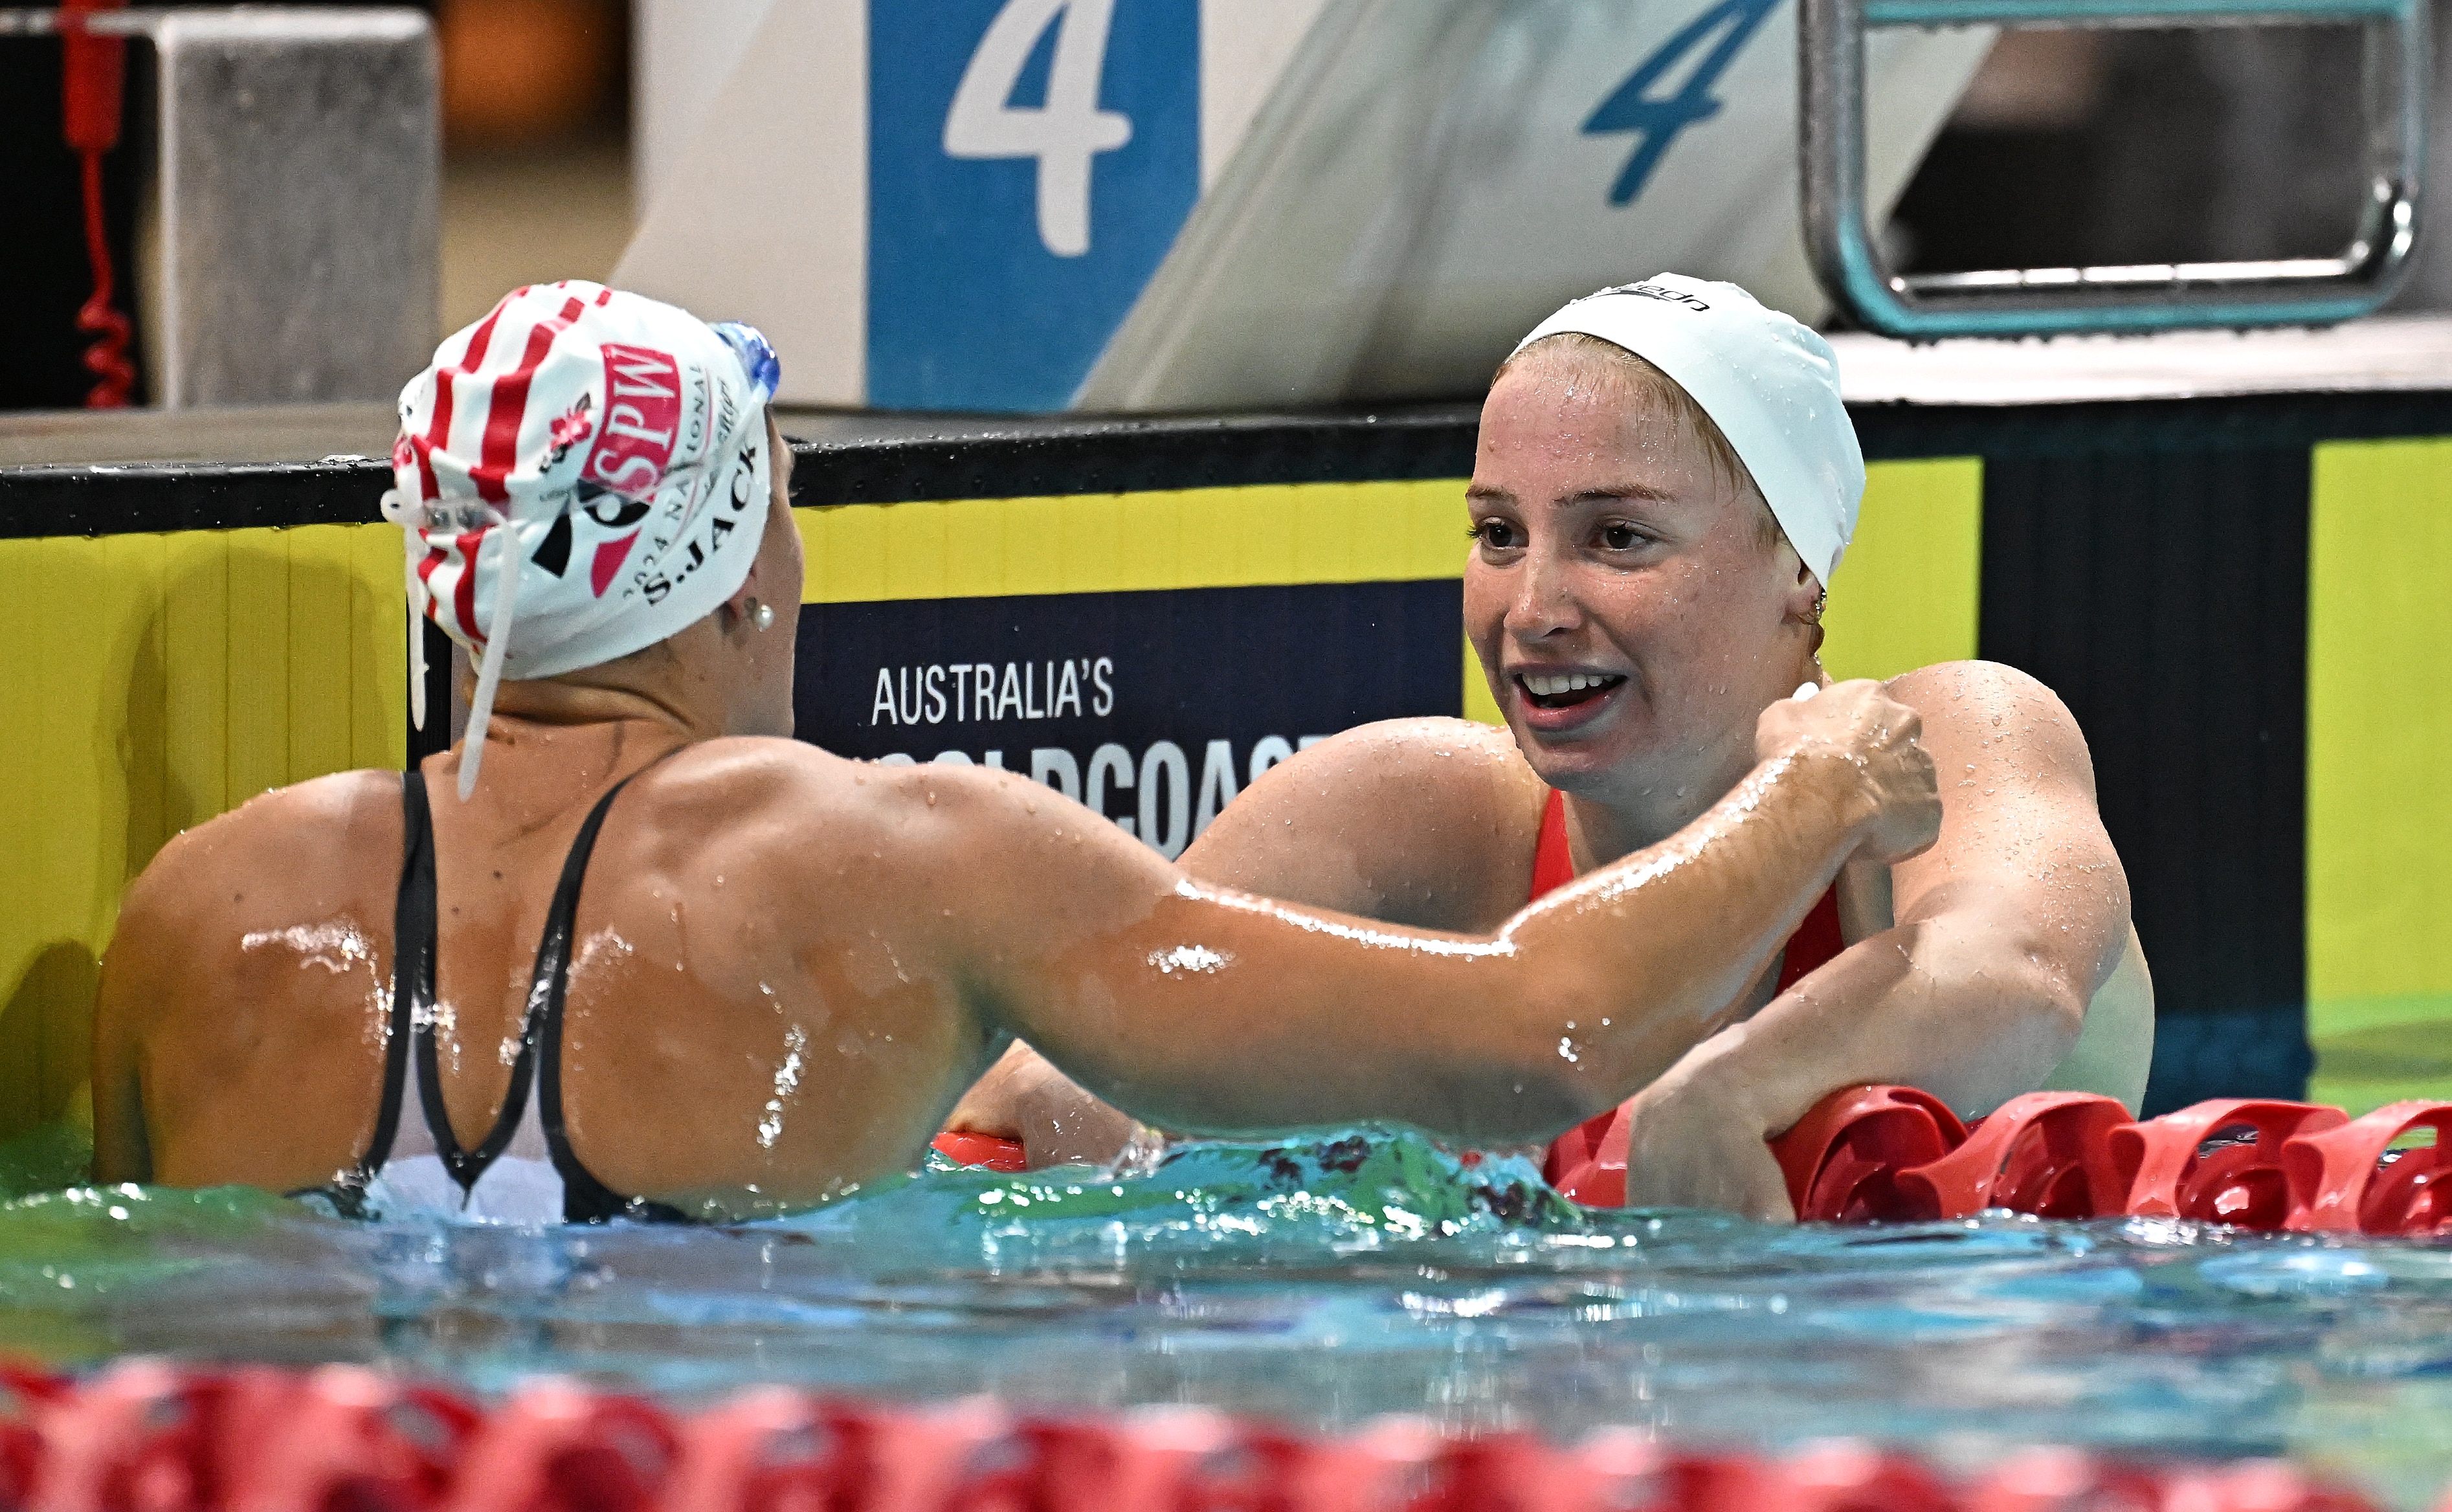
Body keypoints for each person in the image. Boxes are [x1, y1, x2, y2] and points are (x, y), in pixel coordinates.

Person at [89, 282, 1942, 1224]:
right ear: (739, 565)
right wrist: (1825, 779)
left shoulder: (195, 913)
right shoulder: (908, 858)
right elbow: (1545, 1031)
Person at [945, 275, 2154, 1219]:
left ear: (1798, 567)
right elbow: (1034, 1092)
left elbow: (2018, 970)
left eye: (1618, 537)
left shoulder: (1959, 735)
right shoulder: (1412, 817)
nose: (1533, 608)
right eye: (1497, 533)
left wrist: (1730, 1095)